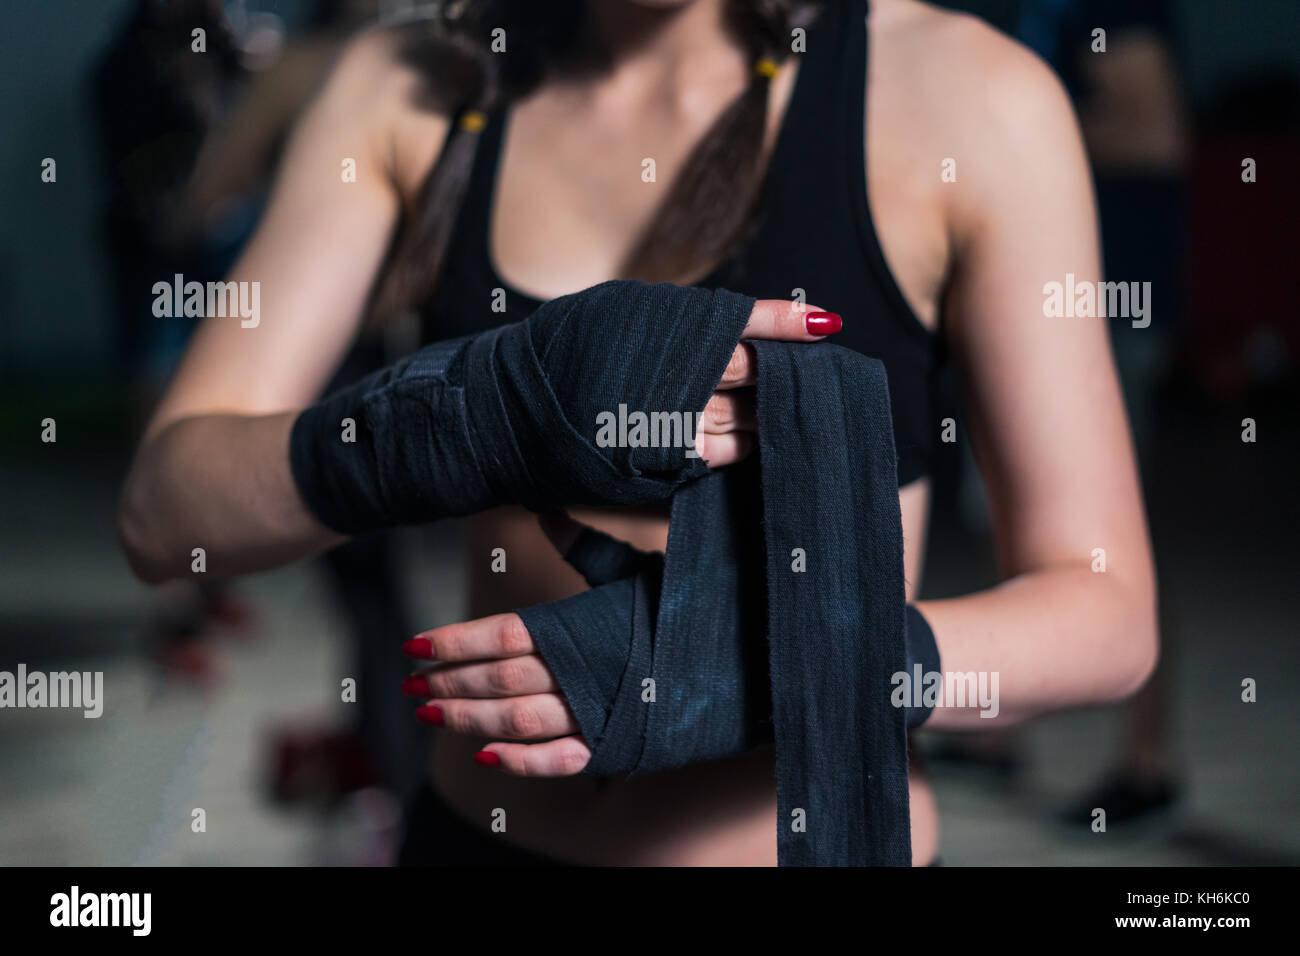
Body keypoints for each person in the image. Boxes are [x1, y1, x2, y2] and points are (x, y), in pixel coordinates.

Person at [119, 0, 1156, 866]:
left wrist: (787, 660)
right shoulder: (412, 83)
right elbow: (164, 511)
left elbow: (1106, 613)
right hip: (474, 840)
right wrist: (482, 413)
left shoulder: (967, 99)